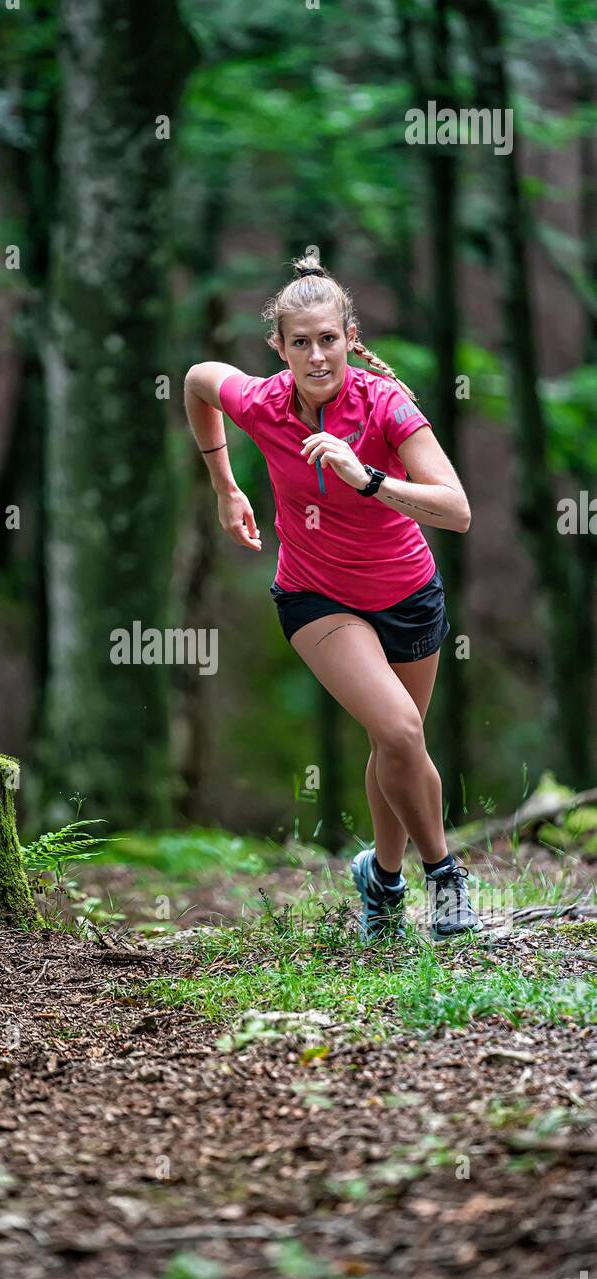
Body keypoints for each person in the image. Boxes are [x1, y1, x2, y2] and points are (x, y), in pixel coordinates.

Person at [183, 253, 482, 944]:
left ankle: (381, 880)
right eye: (299, 342)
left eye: (327, 338)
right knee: (403, 732)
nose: (316, 355)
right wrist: (225, 486)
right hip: (316, 596)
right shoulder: (261, 403)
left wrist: (368, 477)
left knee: (395, 745)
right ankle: (445, 880)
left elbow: (458, 510)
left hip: (408, 593)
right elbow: (199, 382)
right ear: (278, 348)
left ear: (350, 335)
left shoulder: (387, 407)